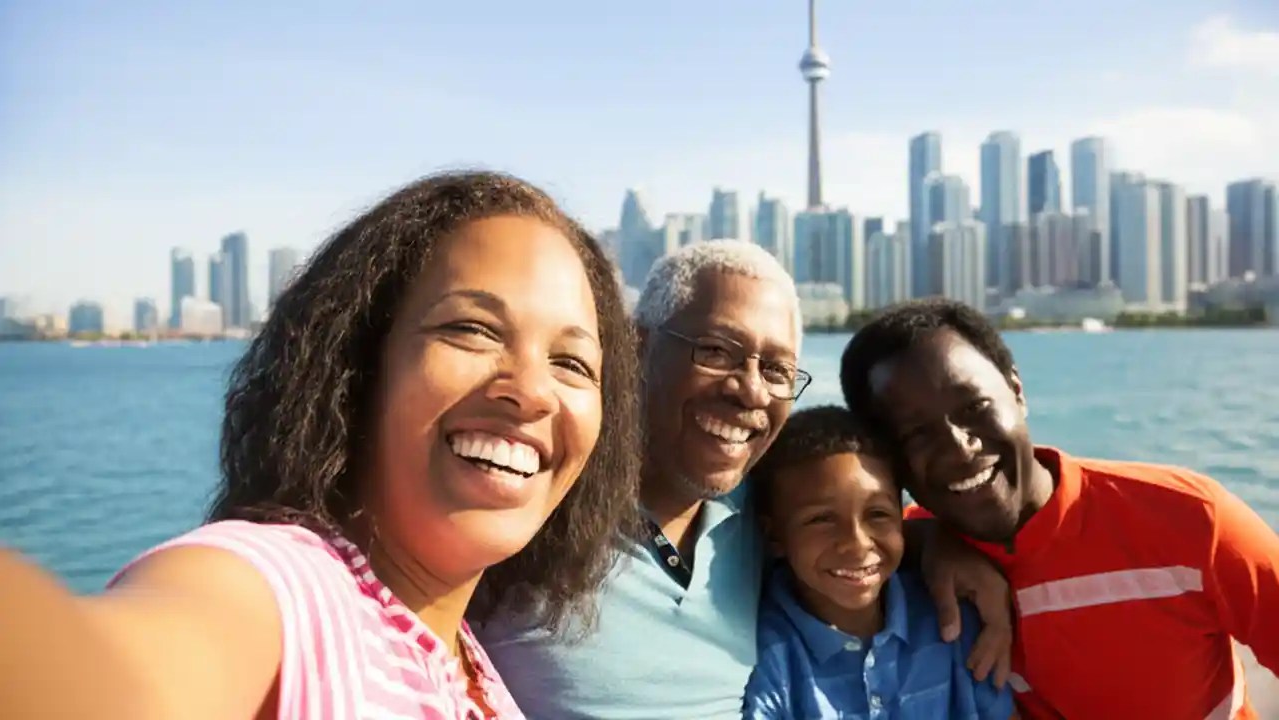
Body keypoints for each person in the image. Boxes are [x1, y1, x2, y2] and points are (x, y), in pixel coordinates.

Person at [0, 171, 643, 719]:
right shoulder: (279, 592)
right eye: (472, 329)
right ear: (358, 367)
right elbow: (111, 676)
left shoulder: (475, 674)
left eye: (573, 363)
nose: (532, 391)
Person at [475, 240, 1014, 719]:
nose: (752, 391)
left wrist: (940, 544)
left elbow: (845, 521)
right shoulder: (542, 494)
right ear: (635, 348)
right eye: (715, 351)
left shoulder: (754, 507)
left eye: (777, 370)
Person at [839, 298, 1279, 719]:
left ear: (1016, 391)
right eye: (917, 434)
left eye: (974, 407)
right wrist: (930, 541)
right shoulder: (889, 557)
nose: (959, 448)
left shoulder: (1192, 519)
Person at [743, 405, 1013, 720]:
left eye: (878, 514)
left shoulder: (953, 620)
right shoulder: (764, 656)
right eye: (822, 519)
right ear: (773, 535)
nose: (857, 543)